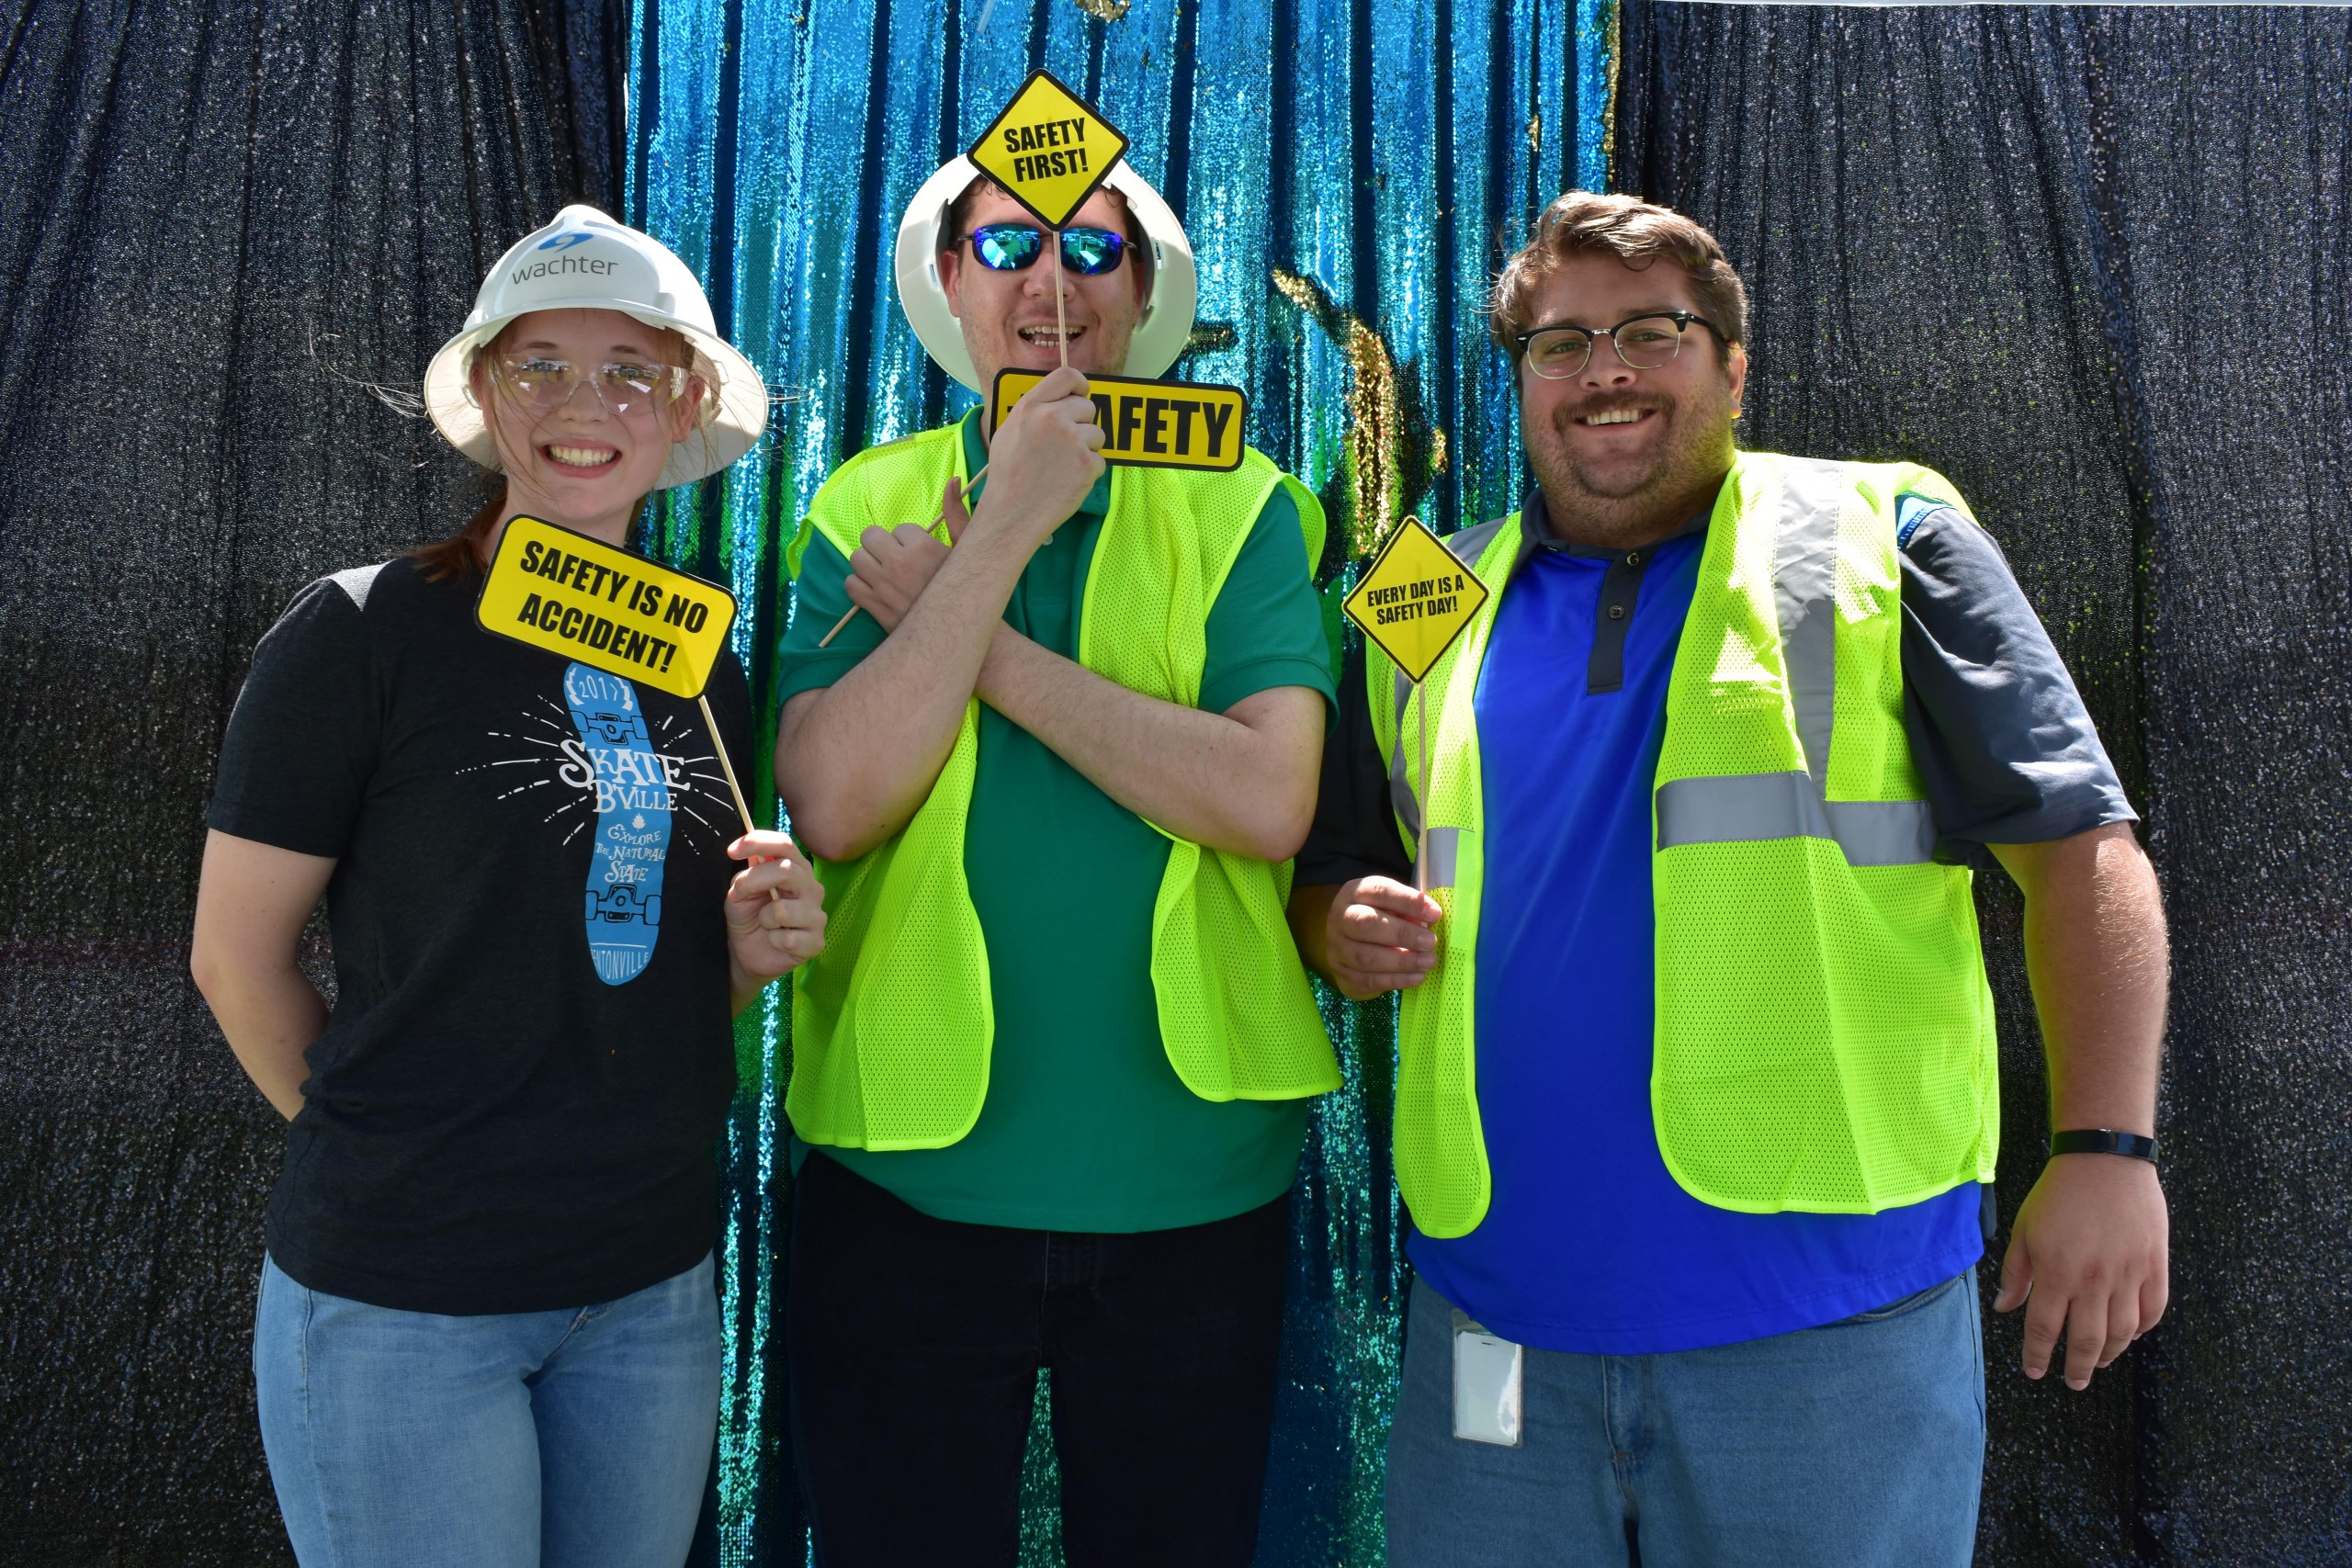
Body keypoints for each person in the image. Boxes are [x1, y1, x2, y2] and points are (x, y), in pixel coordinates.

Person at [1289, 191, 2171, 1566]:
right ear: (1521, 376)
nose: (1607, 372)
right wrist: (1336, 926)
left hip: (1823, 1338)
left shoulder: (1885, 536)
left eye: (1654, 331)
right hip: (1493, 1328)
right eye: (1560, 342)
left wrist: (2109, 1149)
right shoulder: (1422, 593)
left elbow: (2082, 852)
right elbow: (1333, 864)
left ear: (1734, 364)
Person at [188, 205, 826, 1568]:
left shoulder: (697, 662)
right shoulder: (362, 630)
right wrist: (404, 1157)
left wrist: (742, 956)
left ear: (686, 402)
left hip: (647, 1290)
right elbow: (235, 963)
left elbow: (627, 980)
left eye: (628, 369)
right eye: (539, 362)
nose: (581, 403)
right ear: (483, 390)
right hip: (410, 1298)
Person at [770, 155, 1337, 1567]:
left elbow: (1268, 798)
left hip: (1191, 1191)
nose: (1048, 283)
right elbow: (834, 801)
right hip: (905, 1182)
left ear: (1145, 294)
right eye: (1008, 242)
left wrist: (983, 645)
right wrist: (1006, 518)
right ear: (949, 282)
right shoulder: (865, 504)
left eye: (1093, 252)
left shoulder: (1248, 503)